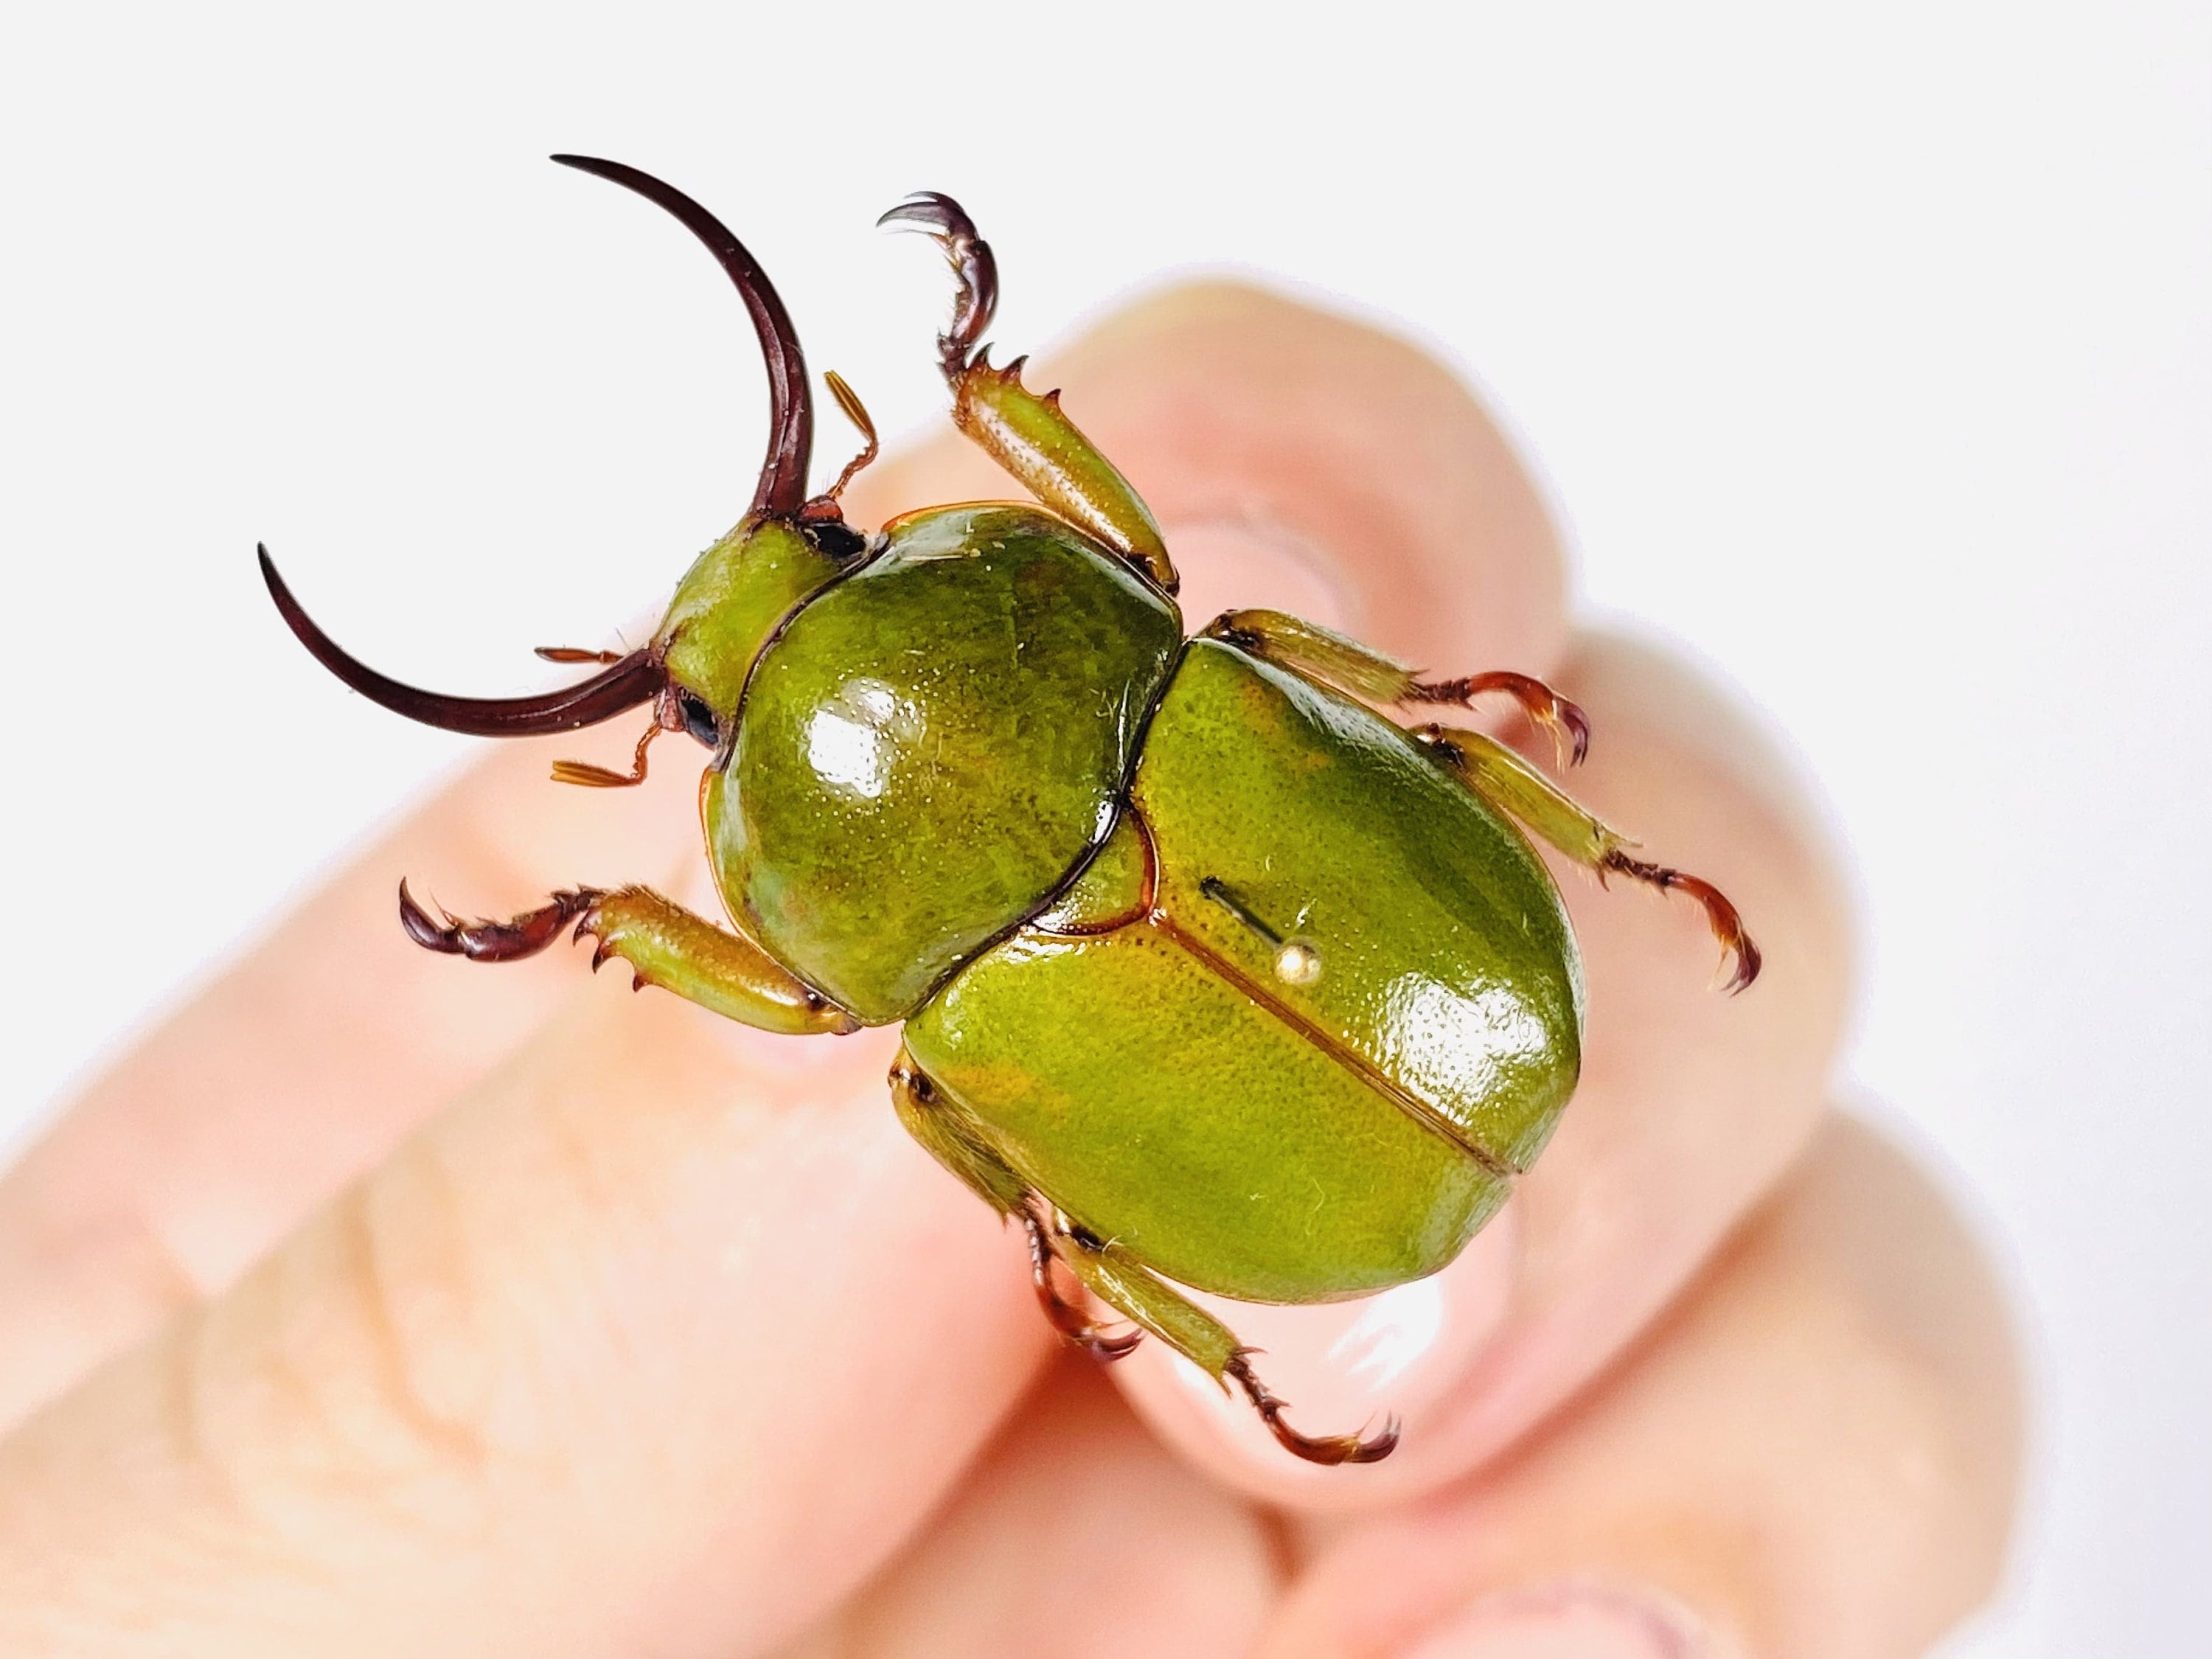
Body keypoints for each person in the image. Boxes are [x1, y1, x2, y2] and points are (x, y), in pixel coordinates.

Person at [0, 283, 2020, 1656]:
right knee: (1277, 684)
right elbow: (1332, 670)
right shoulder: (1147, 653)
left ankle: (1258, 1330)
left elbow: (839, 979)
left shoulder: (895, 986)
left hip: (1350, 1104)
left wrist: (598, 923)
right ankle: (1616, 867)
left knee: (974, 1047)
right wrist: (981, 389)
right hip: (1447, 1017)